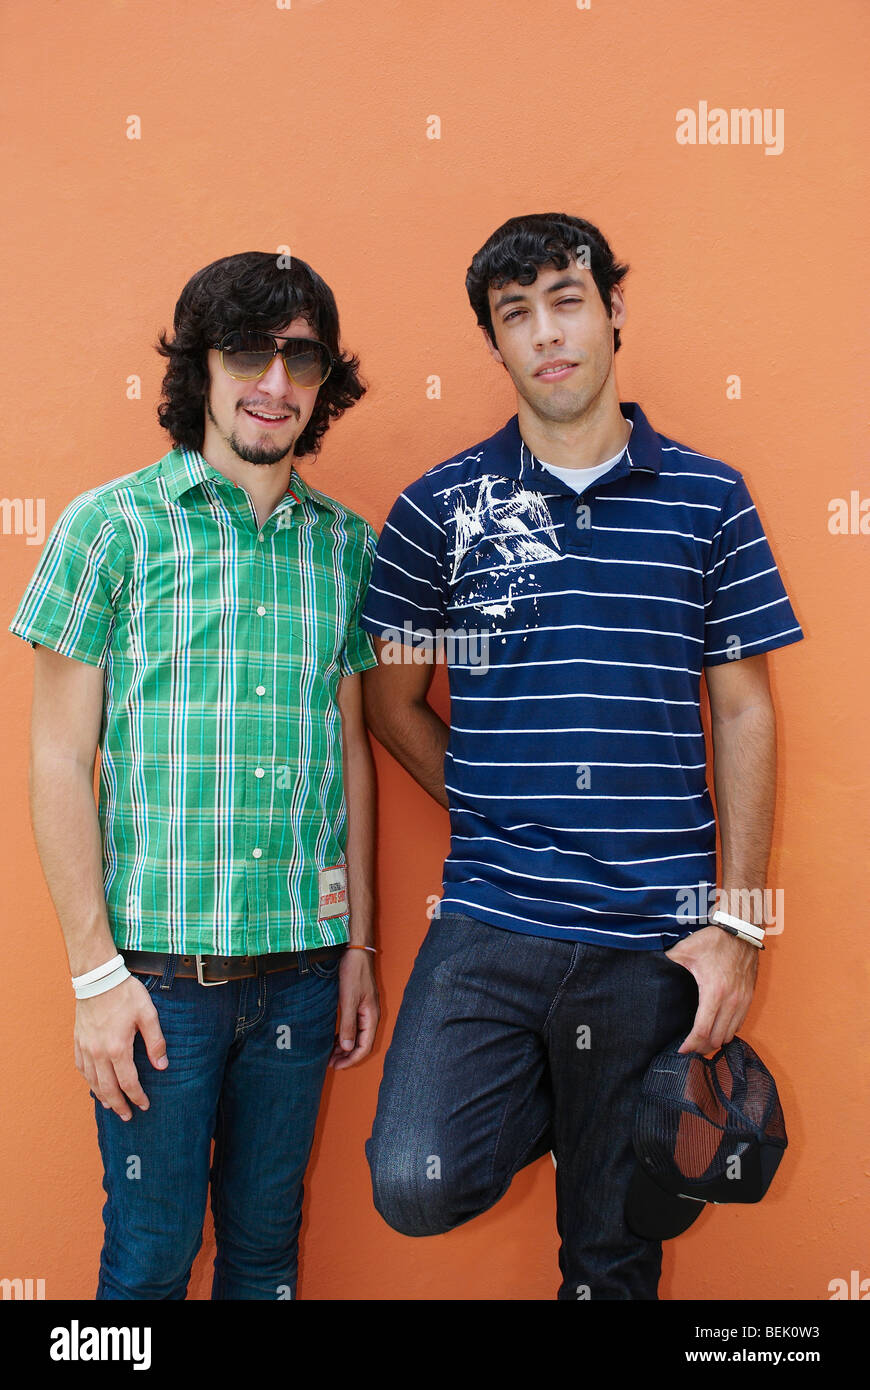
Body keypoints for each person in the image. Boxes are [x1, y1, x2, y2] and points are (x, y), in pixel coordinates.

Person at [358, 212, 803, 1300]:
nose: (547, 333)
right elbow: (389, 703)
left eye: (567, 299)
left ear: (612, 311)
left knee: (610, 1265)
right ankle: (587, 1093)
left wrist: (739, 924)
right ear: (496, 345)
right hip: (493, 915)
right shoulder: (436, 511)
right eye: (517, 315)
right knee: (412, 1182)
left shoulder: (711, 498)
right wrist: (489, 800)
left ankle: (609, 1107)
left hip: (654, 935)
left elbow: (744, 712)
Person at [9, 250, 380, 1300]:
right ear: (199, 368)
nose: (275, 380)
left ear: (323, 380)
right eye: (247, 351)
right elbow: (54, 756)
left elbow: (351, 753)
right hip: (156, 985)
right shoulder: (109, 529)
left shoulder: (347, 549)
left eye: (300, 356)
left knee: (265, 1260)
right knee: (148, 1262)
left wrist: (357, 943)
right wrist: (93, 977)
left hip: (303, 978)